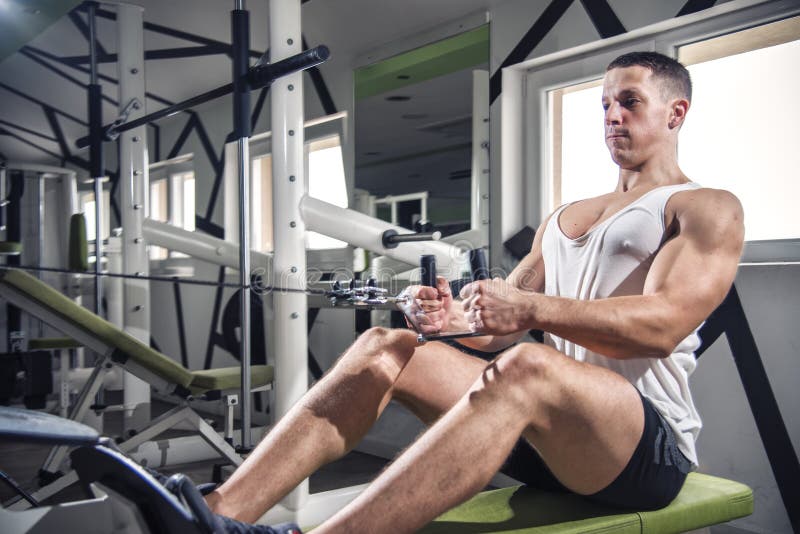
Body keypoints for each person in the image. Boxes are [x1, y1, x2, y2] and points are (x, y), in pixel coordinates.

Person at [205, 51, 744, 533]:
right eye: (604, 104)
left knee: (529, 365)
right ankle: (214, 517)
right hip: (550, 445)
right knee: (382, 348)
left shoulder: (703, 207)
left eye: (629, 102)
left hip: (643, 454)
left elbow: (660, 327)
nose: (611, 116)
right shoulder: (565, 218)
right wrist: (448, 318)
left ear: (676, 113)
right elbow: (493, 323)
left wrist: (529, 307)